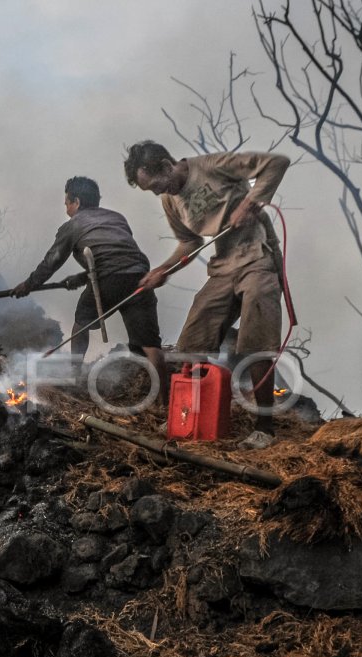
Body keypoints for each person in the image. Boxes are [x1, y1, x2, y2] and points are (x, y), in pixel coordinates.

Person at [124, 141, 289, 449]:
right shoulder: (171, 202)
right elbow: (189, 242)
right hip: (224, 265)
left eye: (157, 184)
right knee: (192, 339)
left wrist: (251, 202)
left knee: (256, 341)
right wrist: (163, 270)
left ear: (166, 165)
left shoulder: (212, 166)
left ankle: (264, 427)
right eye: (151, 191)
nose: (159, 192)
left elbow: (276, 163)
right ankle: (188, 414)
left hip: (257, 254)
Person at [11, 176, 168, 403]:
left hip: (109, 280)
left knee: (80, 323)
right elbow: (118, 256)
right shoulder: (117, 218)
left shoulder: (72, 225)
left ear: (76, 201)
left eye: (66, 203)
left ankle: (74, 372)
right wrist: (82, 277)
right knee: (151, 345)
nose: (66, 208)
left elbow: (51, 262)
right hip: (141, 279)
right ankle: (163, 405)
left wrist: (28, 285)